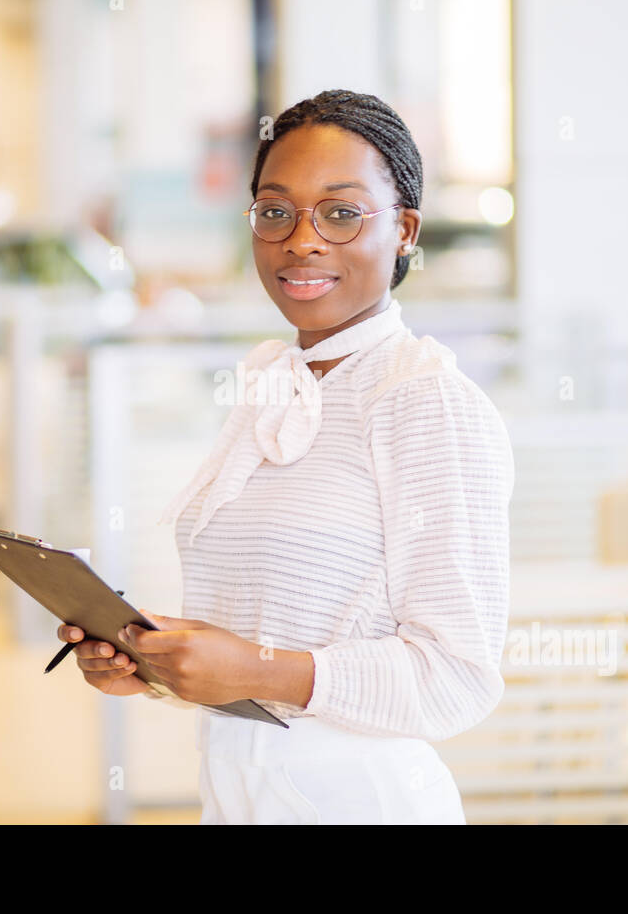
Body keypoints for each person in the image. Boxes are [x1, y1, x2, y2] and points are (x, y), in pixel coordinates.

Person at [57, 89, 515, 824]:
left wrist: (253, 668)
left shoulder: (423, 401)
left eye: (340, 212)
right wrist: (156, 668)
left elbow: (457, 677)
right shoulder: (274, 381)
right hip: (240, 795)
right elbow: (268, 634)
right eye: (275, 211)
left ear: (404, 231)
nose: (301, 240)